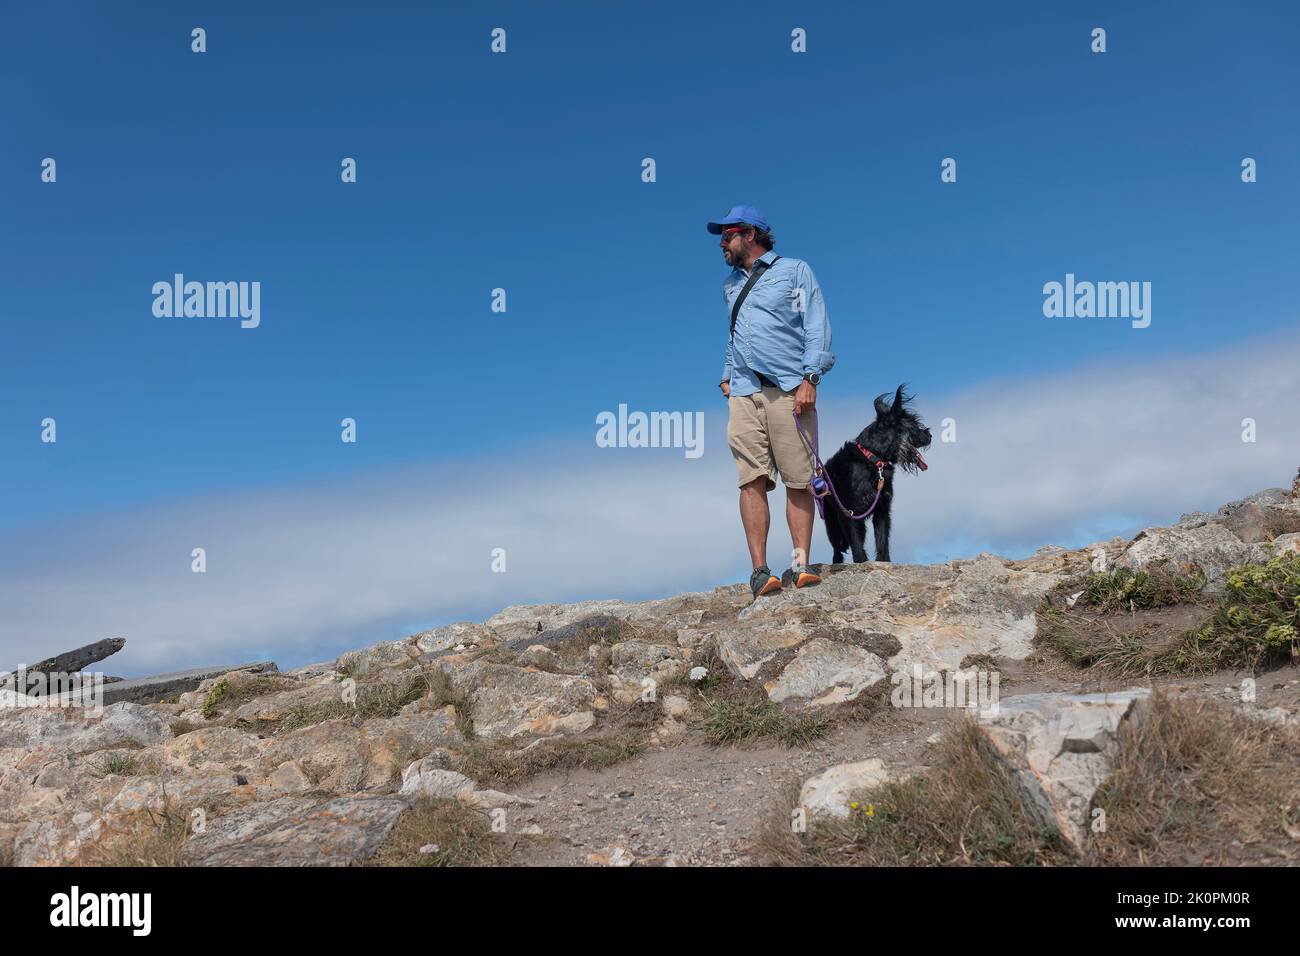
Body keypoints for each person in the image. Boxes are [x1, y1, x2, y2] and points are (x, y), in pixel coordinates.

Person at [709, 204, 835, 598]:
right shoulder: (730, 285)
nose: (722, 244)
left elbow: (816, 326)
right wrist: (728, 376)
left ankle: (800, 564)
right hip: (744, 392)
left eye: (727, 235)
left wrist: (811, 378)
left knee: (799, 479)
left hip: (789, 389)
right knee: (751, 480)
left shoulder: (795, 271)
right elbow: (735, 334)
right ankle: (760, 572)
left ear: (750, 233)